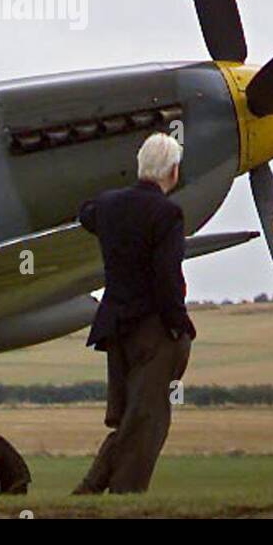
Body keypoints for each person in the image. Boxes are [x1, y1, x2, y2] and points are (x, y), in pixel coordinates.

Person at [72, 132, 195, 494]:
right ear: (173, 171)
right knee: (147, 420)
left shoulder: (108, 206)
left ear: (141, 165)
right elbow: (168, 276)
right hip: (154, 328)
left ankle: (90, 492)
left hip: (116, 327)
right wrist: (179, 325)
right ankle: (124, 498)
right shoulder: (168, 213)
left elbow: (86, 212)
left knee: (129, 420)